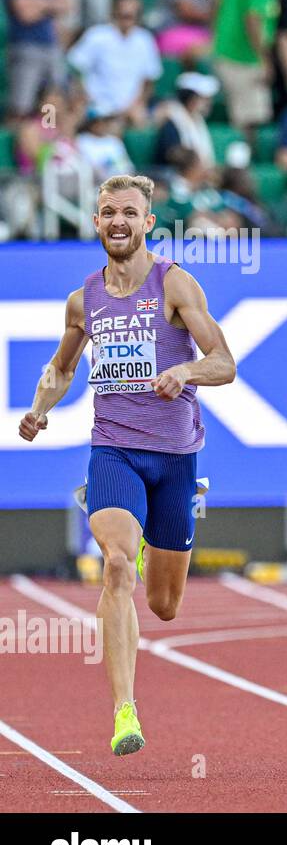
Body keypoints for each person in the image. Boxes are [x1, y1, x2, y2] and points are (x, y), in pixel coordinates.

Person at [18, 174, 236, 756]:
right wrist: (40, 409)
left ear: (148, 223)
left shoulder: (175, 284)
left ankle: (153, 530)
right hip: (112, 449)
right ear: (96, 223)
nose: (118, 221)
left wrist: (185, 372)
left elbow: (223, 362)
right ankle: (124, 711)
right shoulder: (83, 299)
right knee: (117, 568)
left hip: (176, 457)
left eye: (129, 213)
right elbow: (63, 368)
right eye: (108, 211)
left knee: (165, 606)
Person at [212, 0, 281, 138]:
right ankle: (243, 165)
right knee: (249, 122)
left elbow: (217, 7)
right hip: (243, 57)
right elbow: (253, 19)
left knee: (244, 118)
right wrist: (263, 59)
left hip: (227, 52)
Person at [66, 0, 162, 128]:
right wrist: (84, 96)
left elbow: (149, 80)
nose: (127, 20)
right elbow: (75, 68)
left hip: (130, 108)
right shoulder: (97, 35)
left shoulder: (144, 40)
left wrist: (137, 103)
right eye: (123, 15)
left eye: (132, 16)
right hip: (96, 104)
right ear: (114, 14)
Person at [4, 0, 69, 120]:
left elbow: (67, 4)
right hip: (25, 45)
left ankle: (49, 136)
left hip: (50, 43)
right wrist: (50, 3)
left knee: (53, 98)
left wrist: (36, 1)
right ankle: (17, 144)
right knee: (22, 105)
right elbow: (25, 13)